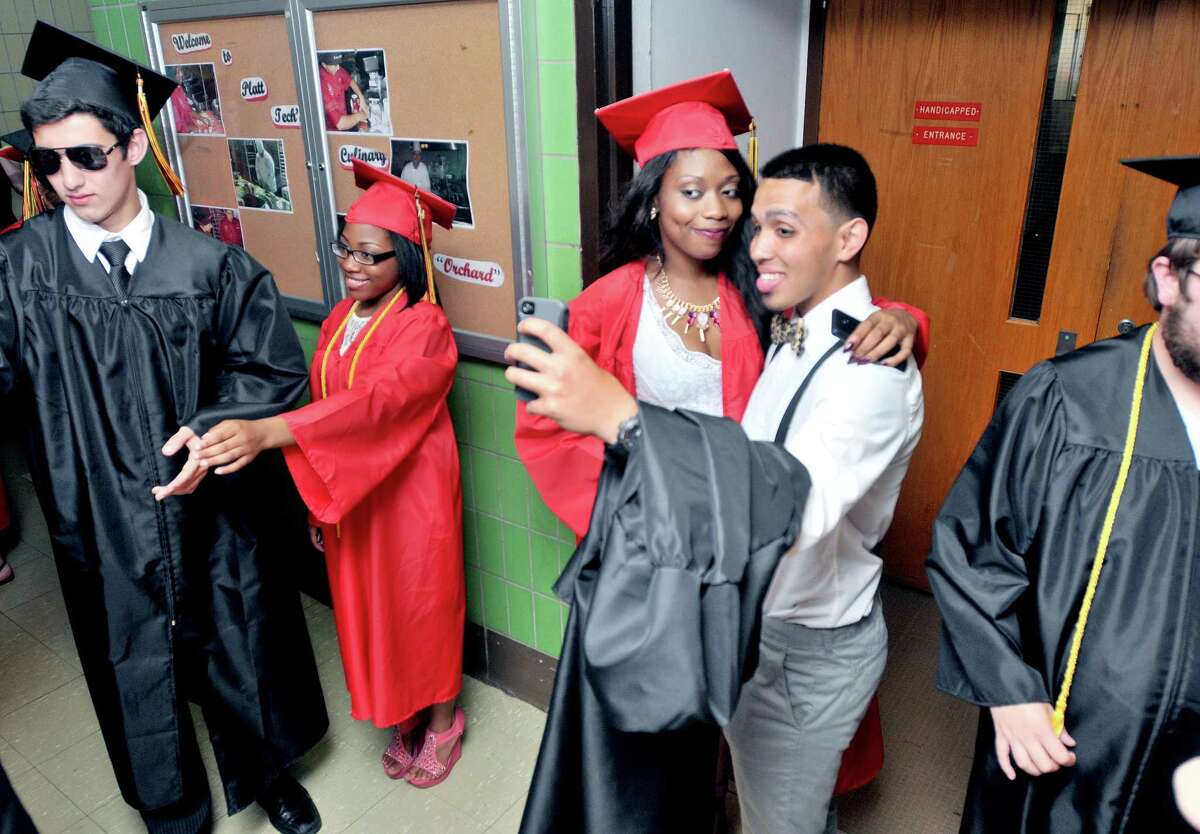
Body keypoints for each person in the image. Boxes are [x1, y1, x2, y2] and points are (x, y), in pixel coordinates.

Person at [512, 71, 929, 819]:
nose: (720, 211)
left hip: (767, 556)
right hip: (670, 547)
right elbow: (549, 424)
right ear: (653, 198)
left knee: (767, 772)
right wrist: (636, 524)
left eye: (731, 191)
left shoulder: (758, 286)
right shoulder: (612, 299)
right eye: (692, 191)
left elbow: (840, 320)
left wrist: (903, 320)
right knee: (665, 751)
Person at [1, 21, 328, 834]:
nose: (67, 178)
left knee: (238, 634)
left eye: (87, 155)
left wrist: (218, 431)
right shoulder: (18, 268)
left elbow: (272, 371)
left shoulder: (210, 266)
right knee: (129, 658)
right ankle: (171, 806)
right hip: (97, 513)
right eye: (47, 160)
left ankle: (267, 773)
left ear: (134, 146)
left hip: (211, 500)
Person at [926, 154, 1200, 833]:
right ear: (1168, 278)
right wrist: (1007, 693)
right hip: (1061, 752)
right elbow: (972, 549)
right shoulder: (1068, 400)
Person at [192, 160, 468, 788]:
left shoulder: (424, 326)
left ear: (407, 258)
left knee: (423, 606)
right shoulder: (343, 318)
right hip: (353, 494)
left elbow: (376, 405)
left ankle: (445, 719)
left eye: (371, 256)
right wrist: (319, 505)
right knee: (371, 611)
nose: (353, 264)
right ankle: (405, 711)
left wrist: (268, 433)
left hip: (412, 494)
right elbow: (321, 405)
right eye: (347, 248)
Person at [319, 54, 368, 132]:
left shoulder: (337, 70)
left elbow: (350, 80)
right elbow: (340, 124)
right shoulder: (321, 83)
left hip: (346, 119)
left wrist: (361, 97)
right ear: (324, 65)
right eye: (335, 65)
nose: (338, 67)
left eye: (338, 64)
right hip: (332, 131)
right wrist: (361, 115)